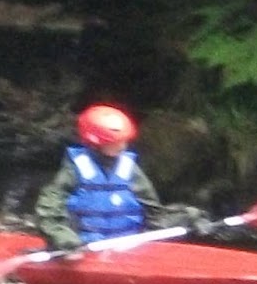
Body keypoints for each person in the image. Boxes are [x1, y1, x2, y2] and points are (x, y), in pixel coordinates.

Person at [34, 103, 198, 252]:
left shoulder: (128, 167)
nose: (122, 146)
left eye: (124, 141)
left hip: (127, 247)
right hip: (84, 248)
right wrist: (62, 237)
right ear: (96, 143)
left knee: (188, 215)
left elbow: (152, 210)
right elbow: (49, 206)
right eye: (115, 142)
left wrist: (187, 218)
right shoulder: (75, 168)